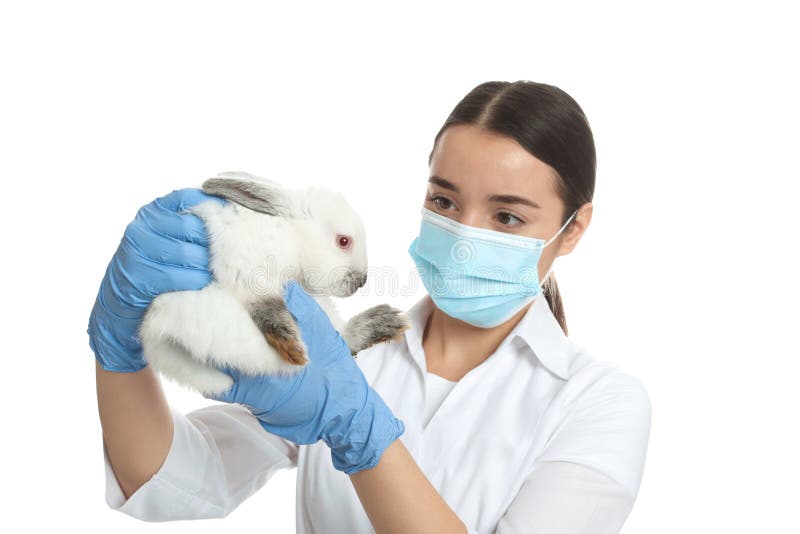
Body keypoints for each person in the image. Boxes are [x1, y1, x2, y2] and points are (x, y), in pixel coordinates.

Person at [90, 80, 651, 533]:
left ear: (573, 228)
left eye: (506, 216)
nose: (462, 233)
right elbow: (171, 481)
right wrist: (119, 346)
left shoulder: (600, 404)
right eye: (444, 200)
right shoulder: (344, 348)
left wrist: (361, 430)